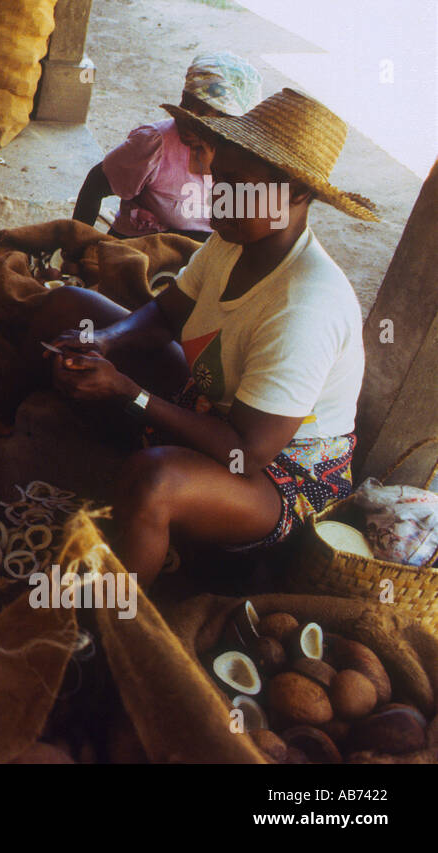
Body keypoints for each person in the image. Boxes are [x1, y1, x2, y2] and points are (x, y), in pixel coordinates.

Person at [29, 89, 378, 586]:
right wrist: (106, 340)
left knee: (154, 482)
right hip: (210, 406)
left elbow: (246, 452)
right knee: (67, 307)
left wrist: (131, 394)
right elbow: (167, 313)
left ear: (297, 193)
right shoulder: (233, 240)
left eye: (238, 187)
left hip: (279, 475)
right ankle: (12, 429)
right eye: (218, 180)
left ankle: (118, 630)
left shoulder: (307, 306)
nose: (217, 198)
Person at [73, 52, 262, 242]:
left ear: (228, 122)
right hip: (139, 249)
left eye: (203, 112)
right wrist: (77, 244)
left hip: (197, 255)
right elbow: (94, 185)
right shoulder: (153, 144)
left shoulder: (241, 161)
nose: (185, 118)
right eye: (186, 103)